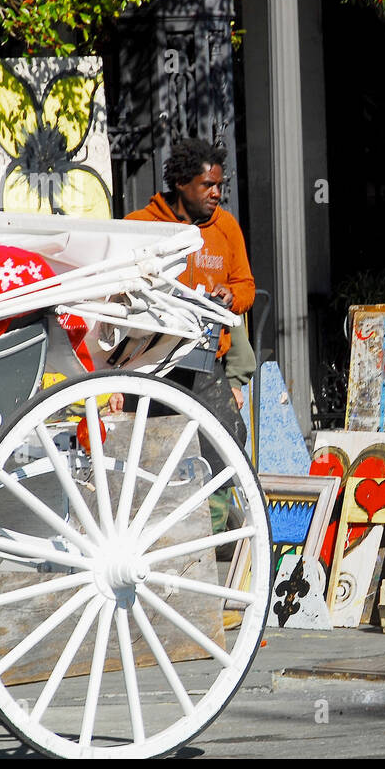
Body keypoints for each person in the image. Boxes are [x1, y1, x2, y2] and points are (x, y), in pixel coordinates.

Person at [126, 139, 255, 520]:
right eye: (207, 185)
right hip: (152, 363)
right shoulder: (139, 226)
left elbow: (247, 286)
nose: (216, 193)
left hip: (206, 362)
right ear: (182, 183)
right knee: (153, 453)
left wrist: (230, 296)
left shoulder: (226, 227)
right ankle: (160, 527)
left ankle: (219, 536)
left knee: (226, 442)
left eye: (219, 184)